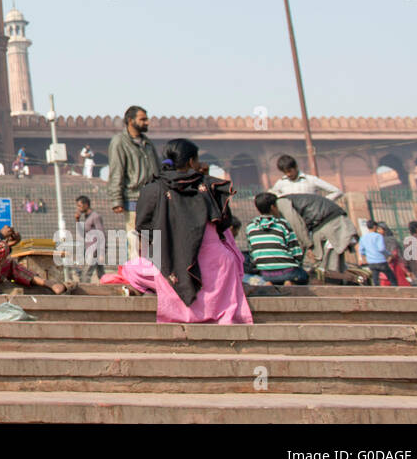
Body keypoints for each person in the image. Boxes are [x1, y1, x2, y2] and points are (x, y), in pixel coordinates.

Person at [129, 139, 252, 324]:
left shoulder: (152, 188)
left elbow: (143, 228)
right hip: (218, 268)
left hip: (171, 264)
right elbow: (225, 223)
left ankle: (161, 292)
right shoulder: (211, 187)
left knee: (131, 269)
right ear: (191, 162)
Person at [107, 105, 160, 258]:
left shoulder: (147, 143)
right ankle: (136, 277)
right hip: (133, 198)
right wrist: (116, 199)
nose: (147, 122)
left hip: (153, 197)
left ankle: (152, 276)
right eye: (142, 119)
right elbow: (116, 171)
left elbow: (157, 170)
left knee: (153, 241)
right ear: (130, 120)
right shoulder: (119, 142)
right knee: (135, 241)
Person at [272, 185, 359, 278]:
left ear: (272, 206)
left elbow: (297, 226)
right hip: (325, 227)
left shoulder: (281, 203)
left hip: (332, 226)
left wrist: (307, 246)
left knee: (329, 268)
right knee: (325, 264)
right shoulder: (288, 203)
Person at [246, 192, 309, 285]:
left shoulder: (250, 227)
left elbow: (252, 253)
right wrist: (297, 264)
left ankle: (270, 282)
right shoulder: (282, 224)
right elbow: (296, 251)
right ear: (273, 207)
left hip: (265, 273)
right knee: (304, 276)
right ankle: (289, 282)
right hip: (289, 272)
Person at [271, 154, 344, 204]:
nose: (288, 174)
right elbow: (271, 197)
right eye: (285, 172)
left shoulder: (311, 180)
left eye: (290, 171)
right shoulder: (280, 183)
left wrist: (320, 203)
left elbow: (337, 192)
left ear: (296, 167)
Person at [74, 195, 106, 282]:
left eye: (79, 206)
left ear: (86, 205)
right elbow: (82, 234)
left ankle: (84, 293)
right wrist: (77, 220)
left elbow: (101, 234)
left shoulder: (95, 217)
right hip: (90, 249)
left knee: (85, 275)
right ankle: (108, 288)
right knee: (101, 274)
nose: (78, 208)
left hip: (95, 250)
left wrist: (101, 252)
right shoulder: (87, 217)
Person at [357, 221, 398, 286]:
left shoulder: (363, 238)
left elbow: (361, 250)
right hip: (380, 260)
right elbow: (381, 249)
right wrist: (388, 254)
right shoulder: (378, 236)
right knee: (392, 278)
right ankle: (396, 291)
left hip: (371, 262)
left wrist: (362, 258)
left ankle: (377, 293)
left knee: (375, 280)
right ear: (375, 227)